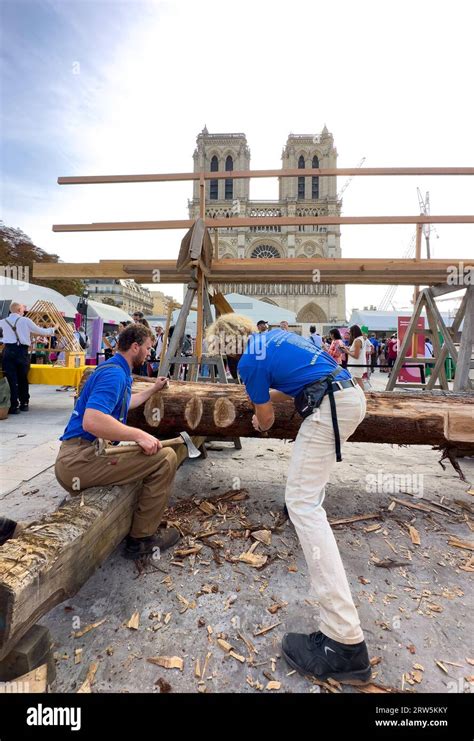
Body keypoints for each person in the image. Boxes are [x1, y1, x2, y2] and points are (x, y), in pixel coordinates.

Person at [205, 314, 370, 684]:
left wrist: (259, 420)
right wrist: (259, 395)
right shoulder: (275, 339)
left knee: (303, 506)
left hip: (329, 407)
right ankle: (341, 634)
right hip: (347, 396)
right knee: (307, 499)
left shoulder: (248, 362)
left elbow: (265, 417)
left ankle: (344, 641)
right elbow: (296, 385)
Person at [54, 324, 180, 560]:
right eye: (147, 348)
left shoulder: (115, 369)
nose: (148, 353)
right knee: (166, 458)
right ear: (135, 347)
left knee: (155, 456)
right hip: (78, 461)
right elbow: (92, 420)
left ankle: (139, 522)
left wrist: (153, 389)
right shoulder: (114, 375)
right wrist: (139, 435)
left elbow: (125, 403)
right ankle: (141, 540)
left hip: (80, 456)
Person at [0, 302, 57, 414]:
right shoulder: (25, 321)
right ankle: (24, 403)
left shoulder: (2, 322)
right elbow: (42, 332)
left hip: (8, 351)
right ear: (19, 309)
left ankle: (13, 406)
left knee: (11, 379)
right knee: (23, 378)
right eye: (23, 309)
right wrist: (54, 328)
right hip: (22, 351)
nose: (24, 311)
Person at [340, 325, 366, 389]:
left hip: (356, 364)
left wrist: (347, 351)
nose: (350, 334)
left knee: (358, 381)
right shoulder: (360, 339)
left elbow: (356, 355)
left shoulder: (357, 340)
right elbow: (356, 351)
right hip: (357, 364)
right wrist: (348, 349)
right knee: (357, 380)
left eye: (350, 332)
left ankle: (363, 394)